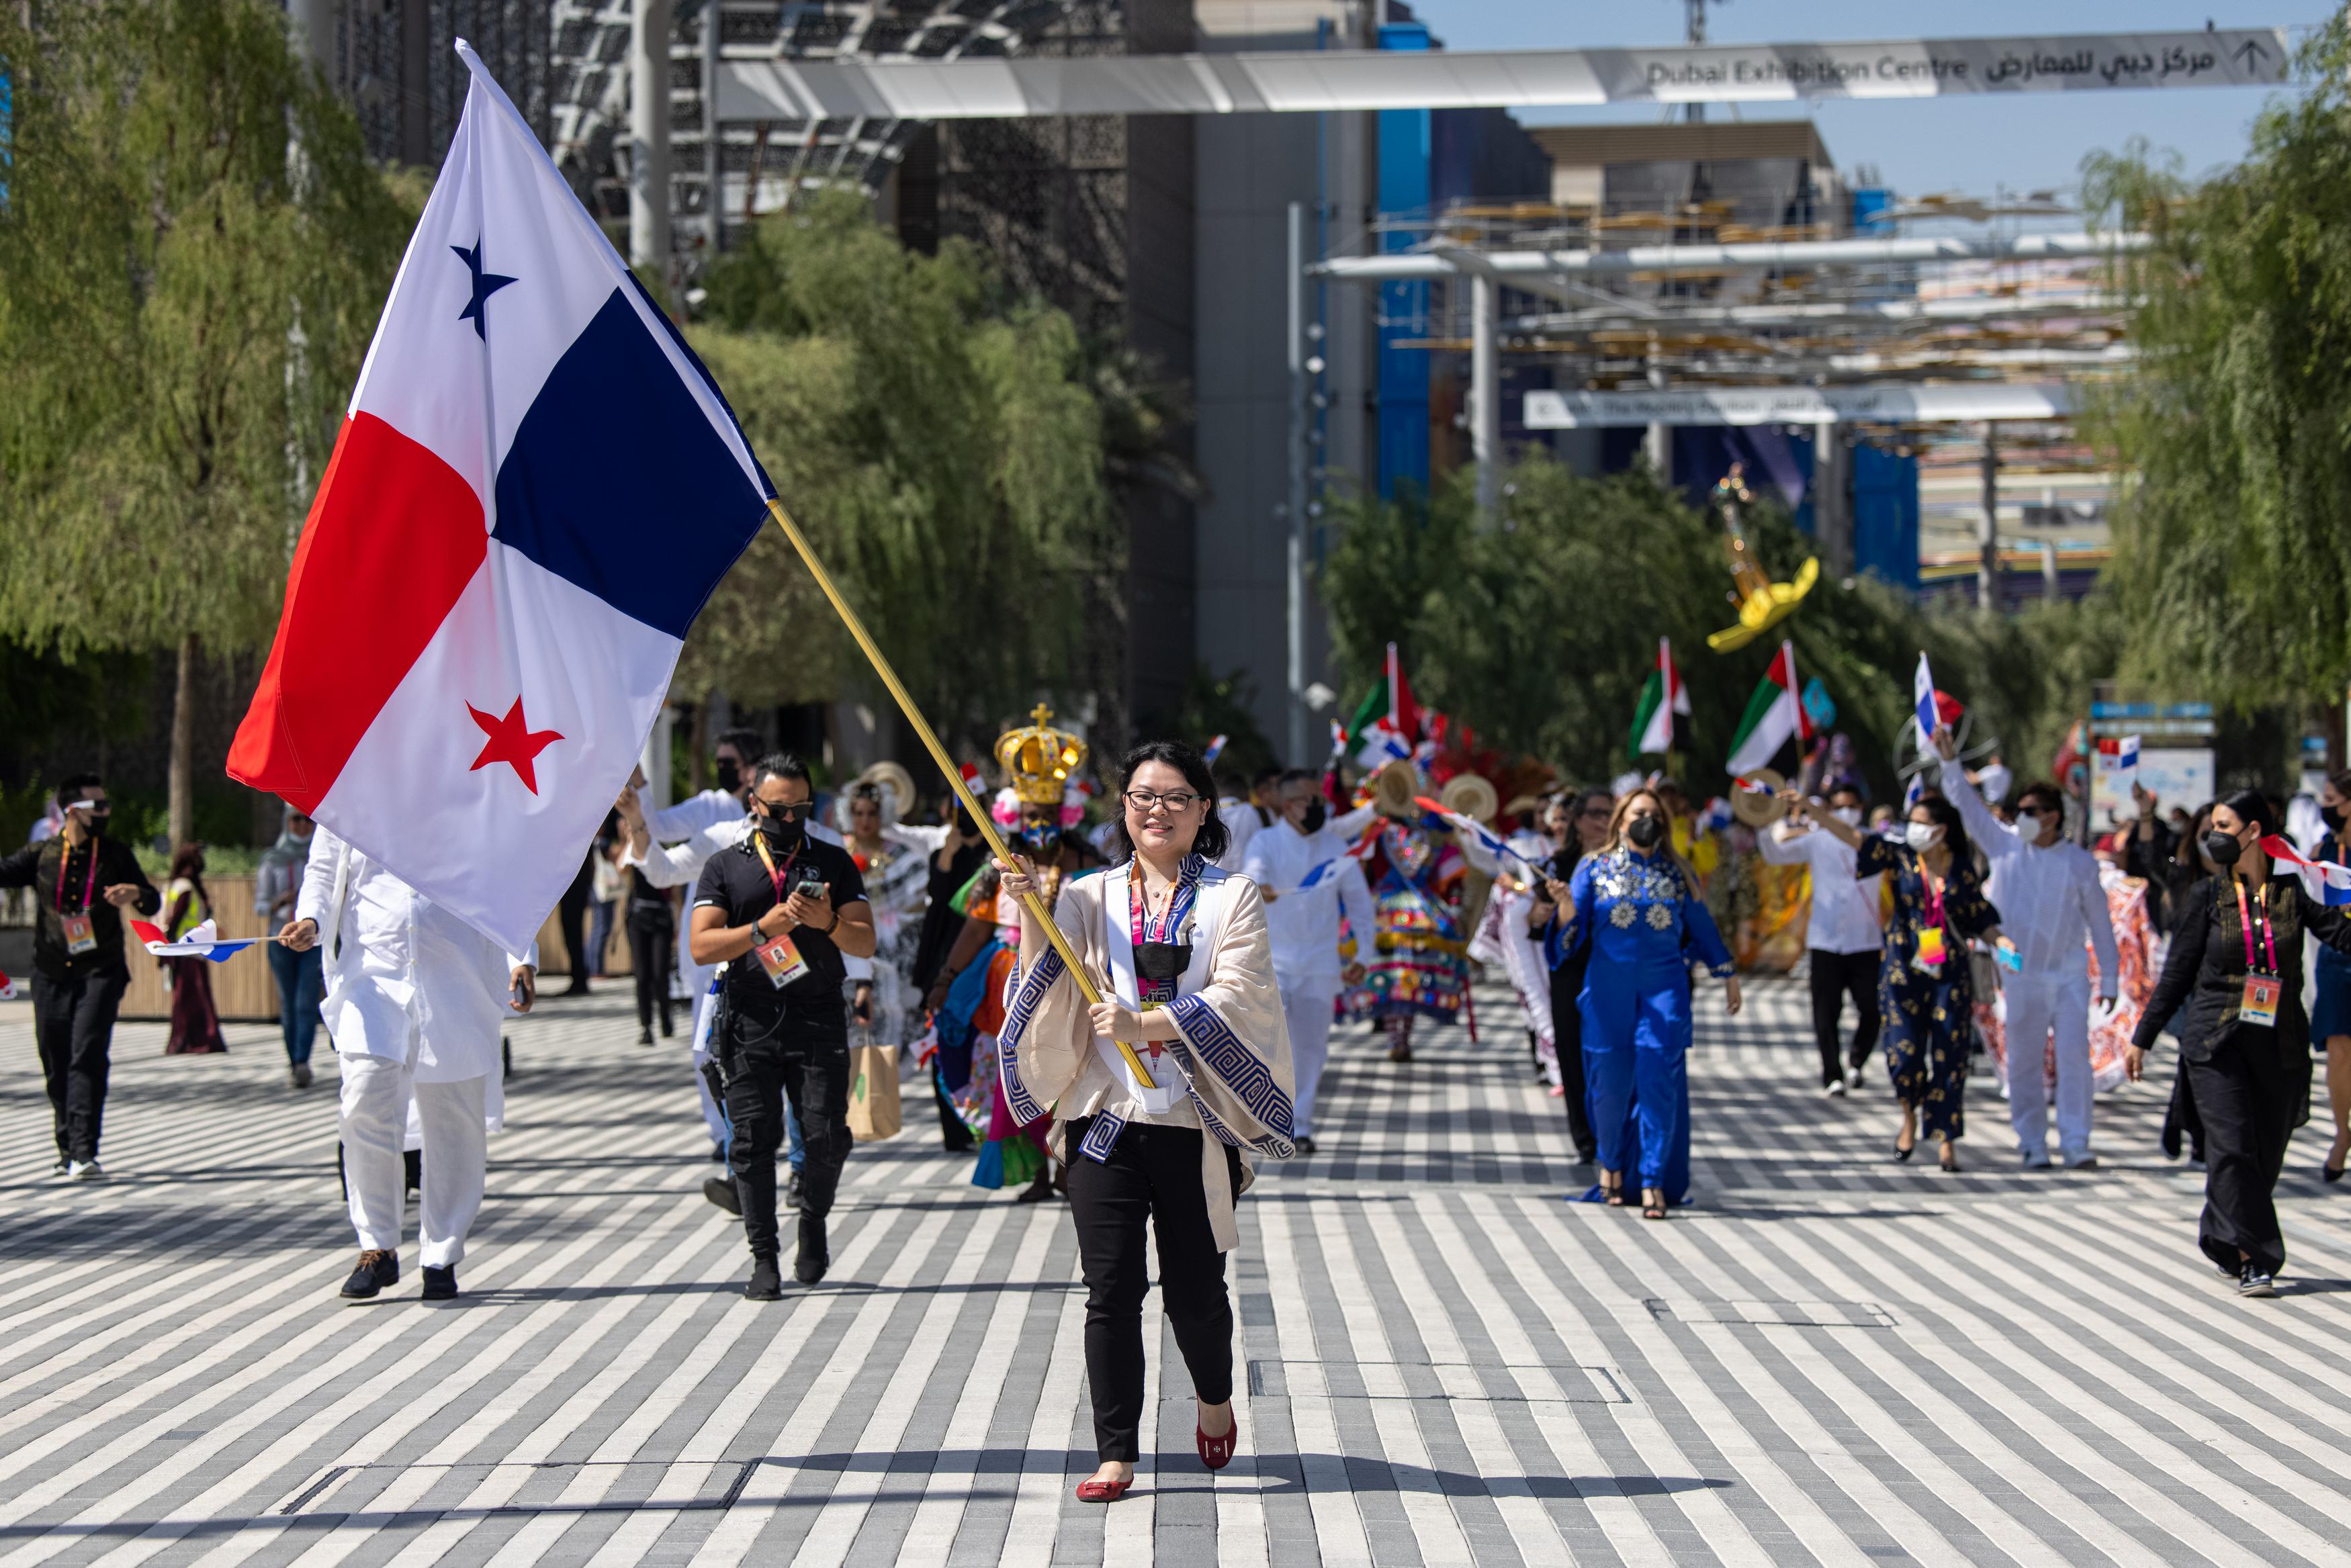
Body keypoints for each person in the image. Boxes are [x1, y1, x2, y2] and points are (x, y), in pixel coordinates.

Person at [992, 739, 1292, 1503]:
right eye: (1141, 796)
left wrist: (1148, 1022)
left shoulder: (1233, 898)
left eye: (1173, 797)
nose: (1155, 810)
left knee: (1195, 1291)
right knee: (1109, 1288)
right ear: (1121, 806)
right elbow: (1051, 984)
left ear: (1203, 809)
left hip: (1194, 1122)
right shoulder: (1087, 894)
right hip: (1106, 1117)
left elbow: (1241, 995)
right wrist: (1032, 910)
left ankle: (1214, 1395)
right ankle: (1115, 1451)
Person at [283, 823, 537, 1301]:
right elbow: (322, 867)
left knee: (453, 1117)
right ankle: (377, 1247)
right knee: (362, 1098)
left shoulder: (467, 778)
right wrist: (312, 919)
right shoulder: (349, 777)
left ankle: (441, 1254)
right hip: (371, 975)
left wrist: (522, 955)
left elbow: (507, 871)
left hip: (454, 974)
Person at [2128, 792, 2351, 1295]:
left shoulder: (2295, 890)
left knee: (2264, 1153)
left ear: (2253, 831)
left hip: (2280, 1042)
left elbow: (2341, 933)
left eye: (2224, 825)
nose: (2214, 835)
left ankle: (2223, 1232)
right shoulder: (2208, 896)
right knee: (2231, 1148)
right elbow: (2178, 972)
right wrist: (2143, 1037)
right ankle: (2257, 1258)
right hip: (2214, 1040)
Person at [689, 752, 877, 1297]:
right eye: (778, 809)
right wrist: (759, 930)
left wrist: (831, 921)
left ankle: (812, 1220)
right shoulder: (726, 865)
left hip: (817, 1014)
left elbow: (865, 940)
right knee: (750, 1141)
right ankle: (763, 1257)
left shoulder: (834, 861)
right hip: (749, 1017)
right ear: (755, 804)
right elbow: (701, 944)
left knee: (824, 1136)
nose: (789, 819)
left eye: (800, 808)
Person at [1542, 787, 1740, 1218]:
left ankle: (1653, 1180)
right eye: (1637, 813)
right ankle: (1611, 1167)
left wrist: (1727, 975)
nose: (1644, 820)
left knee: (1658, 1081)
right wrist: (1562, 909)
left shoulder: (1677, 873)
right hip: (1607, 991)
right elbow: (1569, 936)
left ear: (1663, 823)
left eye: (1652, 814)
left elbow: (1702, 929)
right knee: (1608, 1085)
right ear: (1621, 819)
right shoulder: (1592, 868)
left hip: (1664, 989)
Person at [1931, 731, 2120, 1168]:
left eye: (2033, 812)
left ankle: (2076, 1142)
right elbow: (1965, 802)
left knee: (2075, 1057)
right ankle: (2032, 1141)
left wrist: (2109, 977)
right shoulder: (2004, 845)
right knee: (2024, 1059)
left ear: (2054, 817)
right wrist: (1948, 761)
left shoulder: (2080, 862)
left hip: (2069, 970)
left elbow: (2101, 923)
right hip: (2019, 968)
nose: (2024, 817)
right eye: (2021, 811)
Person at [1806, 791, 2004, 1173]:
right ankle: (1909, 1117)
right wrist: (1816, 812)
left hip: (1949, 973)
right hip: (1903, 970)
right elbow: (1853, 837)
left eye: (1921, 822)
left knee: (1951, 1053)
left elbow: (1980, 917)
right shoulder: (1898, 857)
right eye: (1910, 820)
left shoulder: (1961, 869)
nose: (1912, 828)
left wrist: (2004, 943)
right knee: (1904, 1052)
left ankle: (1945, 1138)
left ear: (1942, 830)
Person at [0, 775, 161, 1179]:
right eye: (97, 807)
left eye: (106, 806)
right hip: (50, 971)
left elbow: (152, 899)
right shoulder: (43, 854)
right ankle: (66, 1148)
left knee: (86, 1053)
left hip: (100, 971)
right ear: (73, 811)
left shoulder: (115, 855)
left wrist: (135, 895)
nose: (106, 813)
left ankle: (86, 1151)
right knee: (54, 1057)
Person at [1242, 768, 1375, 1154]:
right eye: (1311, 800)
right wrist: (1258, 886)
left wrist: (1363, 955)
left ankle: (1301, 1123)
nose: (1320, 807)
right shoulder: (1265, 841)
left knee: (1312, 1046)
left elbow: (1361, 906)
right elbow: (1252, 873)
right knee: (1269, 1043)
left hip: (1320, 963)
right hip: (1273, 963)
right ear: (1288, 805)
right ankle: (1264, 1118)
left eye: (1321, 800)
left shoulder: (1335, 848)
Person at [1760, 782, 1883, 1097]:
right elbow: (1775, 855)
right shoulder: (1816, 841)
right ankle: (1833, 1074)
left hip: (1865, 941)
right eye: (1840, 806)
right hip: (1826, 941)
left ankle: (1857, 1060)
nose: (1847, 813)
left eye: (1852, 807)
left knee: (1872, 1008)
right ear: (1830, 809)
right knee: (1825, 1011)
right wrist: (1762, 822)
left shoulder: (1873, 842)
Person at [1527, 788, 1613, 1163]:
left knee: (1611, 1057)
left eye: (1610, 813)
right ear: (1577, 821)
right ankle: (1585, 1139)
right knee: (1573, 1056)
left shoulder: (1626, 865)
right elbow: (1534, 924)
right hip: (1570, 975)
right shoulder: (1556, 867)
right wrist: (1542, 916)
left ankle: (1613, 1133)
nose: (1603, 820)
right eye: (1595, 813)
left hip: (1613, 973)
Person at [910, 802, 993, 1152]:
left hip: (985, 953)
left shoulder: (996, 851)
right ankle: (953, 1128)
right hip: (946, 949)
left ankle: (985, 1117)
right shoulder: (945, 852)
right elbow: (939, 894)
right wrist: (950, 850)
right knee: (944, 1032)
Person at [255, 806, 325, 1087]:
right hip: (280, 938)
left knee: (305, 1002)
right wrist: (280, 902)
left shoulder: (320, 858)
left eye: (308, 819)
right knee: (288, 1003)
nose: (302, 825)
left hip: (312, 940)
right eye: (296, 819)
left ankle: (302, 1061)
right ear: (286, 823)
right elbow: (260, 906)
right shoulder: (272, 860)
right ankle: (292, 1060)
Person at [2311, 770, 2351, 1183]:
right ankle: (2342, 1135)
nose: (2327, 808)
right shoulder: (2324, 851)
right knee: (2339, 1050)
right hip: (2338, 959)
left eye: (2333, 799)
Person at [161, 842, 228, 1056]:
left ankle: (194, 1039)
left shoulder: (183, 886)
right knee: (190, 997)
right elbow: (176, 917)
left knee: (191, 996)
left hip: (192, 948)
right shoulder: (185, 887)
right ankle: (194, 1040)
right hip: (186, 949)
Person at [624, 837, 676, 1046]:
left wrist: (679, 919)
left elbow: (675, 888)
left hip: (661, 917)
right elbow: (620, 870)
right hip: (637, 917)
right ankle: (646, 1026)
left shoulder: (664, 850)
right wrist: (628, 841)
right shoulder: (631, 850)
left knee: (660, 972)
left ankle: (665, 1016)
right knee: (642, 974)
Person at [588, 825, 625, 979]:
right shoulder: (601, 843)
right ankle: (596, 969)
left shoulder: (590, 843)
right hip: (603, 893)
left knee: (597, 930)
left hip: (595, 891)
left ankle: (593, 968)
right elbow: (620, 857)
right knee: (602, 930)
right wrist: (624, 837)